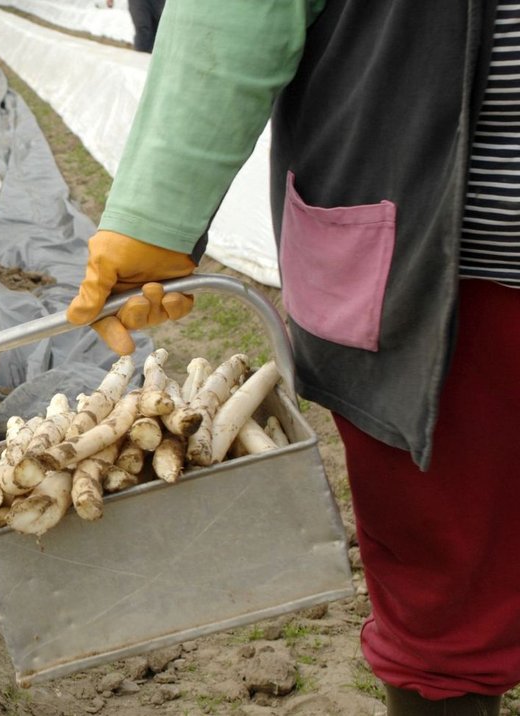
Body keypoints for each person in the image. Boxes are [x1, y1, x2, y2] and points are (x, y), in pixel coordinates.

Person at [66, 2, 520, 715]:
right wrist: (156, 217)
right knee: (442, 591)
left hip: (425, 273)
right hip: (434, 290)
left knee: (444, 592)